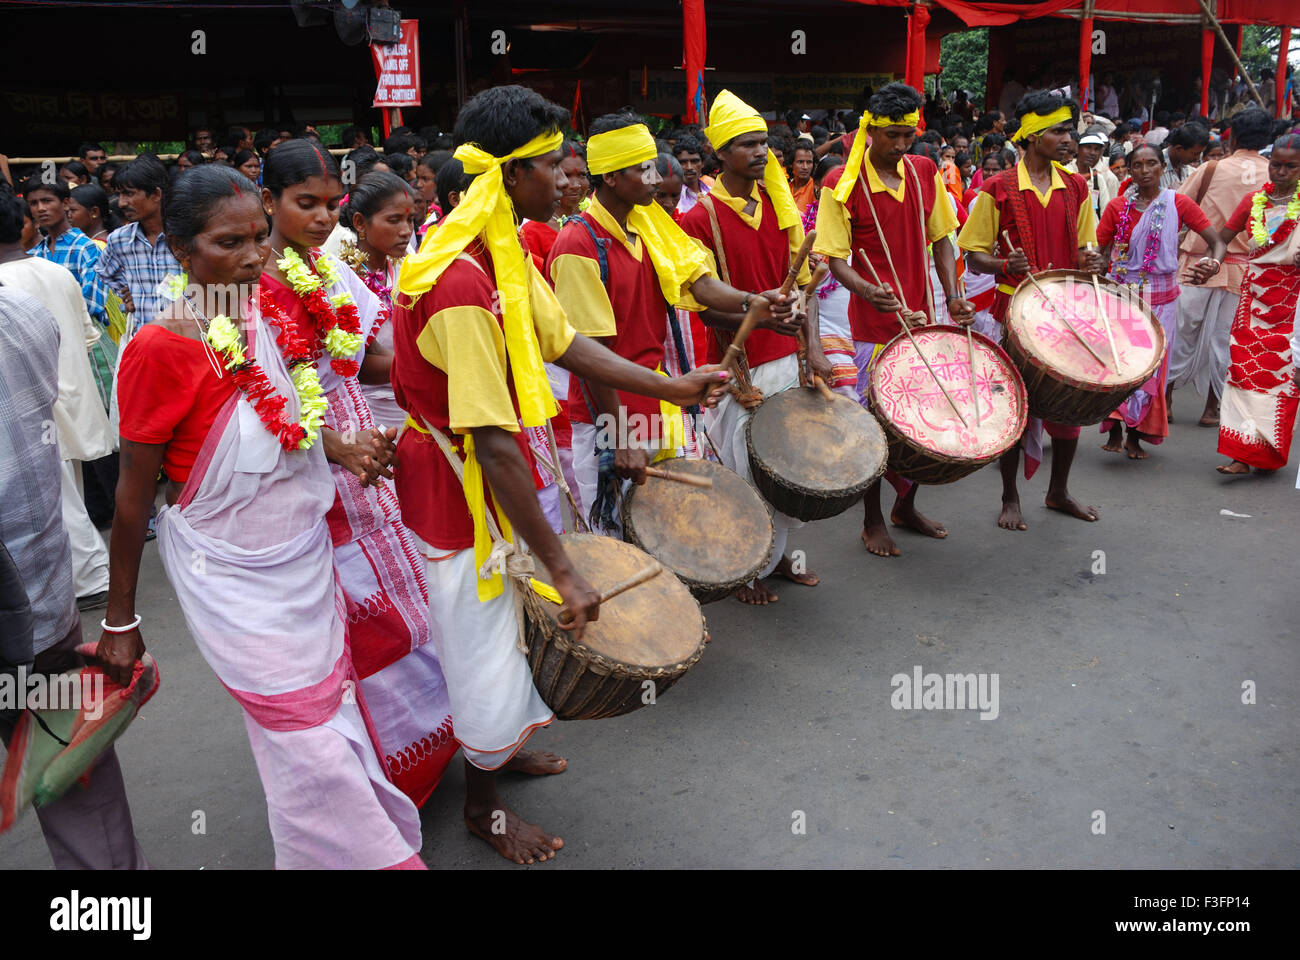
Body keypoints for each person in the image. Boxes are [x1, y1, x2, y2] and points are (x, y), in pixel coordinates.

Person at [389, 85, 732, 863]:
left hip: (483, 476)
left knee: (503, 632)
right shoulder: (460, 281)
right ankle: (485, 808)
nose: (566, 179)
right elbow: (494, 444)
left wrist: (668, 387)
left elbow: (564, 339)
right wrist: (563, 567)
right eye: (551, 166)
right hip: (459, 491)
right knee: (481, 642)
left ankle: (498, 753)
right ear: (511, 175)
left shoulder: (494, 246)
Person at [106, 163, 426, 868]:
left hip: (304, 560)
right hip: (232, 576)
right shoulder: (161, 346)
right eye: (229, 243)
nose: (252, 257)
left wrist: (339, 446)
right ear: (182, 252)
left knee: (324, 723)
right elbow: (132, 499)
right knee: (305, 737)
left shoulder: (267, 307)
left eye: (258, 238)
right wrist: (120, 620)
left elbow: (285, 417)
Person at [257, 142, 456, 806]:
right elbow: (256, 397)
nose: (320, 217)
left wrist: (439, 373)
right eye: (303, 203)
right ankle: (388, 779)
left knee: (414, 615)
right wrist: (336, 447)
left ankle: (450, 750)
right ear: (269, 203)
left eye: (329, 202)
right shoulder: (251, 278)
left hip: (367, 462)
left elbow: (363, 357)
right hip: (312, 472)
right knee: (366, 633)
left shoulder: (322, 268)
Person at [547, 113, 792, 531]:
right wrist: (621, 438)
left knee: (664, 533)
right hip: (613, 415)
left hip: (658, 401)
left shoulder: (646, 228)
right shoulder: (578, 243)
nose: (655, 180)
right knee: (622, 543)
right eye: (643, 170)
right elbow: (592, 358)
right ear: (609, 177)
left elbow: (700, 284)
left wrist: (755, 301)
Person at [0, 283, 149, 870]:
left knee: (70, 765)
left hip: (28, 592)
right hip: (41, 592)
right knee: (70, 765)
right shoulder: (21, 312)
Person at [814, 82, 975, 558]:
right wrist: (868, 290)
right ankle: (872, 518)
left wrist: (953, 295)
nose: (902, 146)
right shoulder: (840, 182)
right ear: (870, 131)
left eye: (909, 135)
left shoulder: (925, 170)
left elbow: (942, 237)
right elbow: (833, 256)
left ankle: (906, 505)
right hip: (868, 325)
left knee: (920, 420)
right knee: (875, 426)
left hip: (921, 314)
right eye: (892, 136)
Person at [680, 88, 823, 604]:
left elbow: (799, 288)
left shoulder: (778, 207)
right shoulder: (698, 219)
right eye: (748, 144)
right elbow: (699, 305)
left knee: (787, 465)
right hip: (737, 367)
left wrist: (812, 345)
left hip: (784, 358)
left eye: (764, 143)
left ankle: (780, 556)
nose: (762, 153)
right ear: (721, 154)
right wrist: (759, 317)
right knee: (744, 473)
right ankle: (747, 568)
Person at [958, 90, 1105, 531]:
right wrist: (1004, 264)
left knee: (1070, 404)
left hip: (1066, 309)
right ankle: (1009, 496)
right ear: (1031, 136)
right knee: (1016, 406)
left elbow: (1086, 247)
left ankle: (1058, 492)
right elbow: (972, 255)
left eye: (1069, 131)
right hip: (1014, 309)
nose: (1068, 139)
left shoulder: (1077, 186)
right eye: (1059, 131)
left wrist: (1092, 260)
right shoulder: (995, 189)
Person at [0, 190, 115, 610]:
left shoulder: (4, 284)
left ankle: (91, 579)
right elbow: (89, 336)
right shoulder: (54, 272)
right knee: (67, 495)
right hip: (71, 399)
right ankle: (83, 578)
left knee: (58, 501)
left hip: (32, 407)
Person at [1096, 143, 1225, 458]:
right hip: (1121, 295)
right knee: (1118, 364)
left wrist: (1213, 264)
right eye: (1137, 165)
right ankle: (1114, 427)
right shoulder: (1116, 208)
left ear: (1161, 168)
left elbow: (1216, 242)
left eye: (1150, 164)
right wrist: (1093, 266)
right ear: (1129, 169)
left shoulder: (1178, 203)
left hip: (1162, 299)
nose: (1144, 171)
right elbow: (1099, 253)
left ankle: (1136, 436)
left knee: (1151, 367)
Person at [1168, 107, 1272, 427]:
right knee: (1227, 338)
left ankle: (1166, 399)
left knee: (1181, 331)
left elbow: (1177, 208)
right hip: (1245, 268)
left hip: (1198, 262)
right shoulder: (1276, 174)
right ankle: (1212, 408)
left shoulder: (1212, 168)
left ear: (1233, 137)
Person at [1213, 134, 1300, 475]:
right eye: (1275, 164)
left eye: (1290, 166)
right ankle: (1241, 454)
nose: (1280, 172)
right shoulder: (1253, 200)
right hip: (1254, 297)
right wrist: (1214, 262)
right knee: (1243, 370)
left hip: (1293, 302)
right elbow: (1221, 238)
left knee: (1282, 375)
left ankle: (1268, 449)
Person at [337, 170, 419, 432]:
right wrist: (426, 365)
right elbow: (358, 365)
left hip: (415, 397)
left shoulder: (408, 266)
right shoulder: (342, 281)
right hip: (372, 411)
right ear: (360, 223)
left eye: (410, 220)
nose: (406, 231)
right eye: (394, 220)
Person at [520, 140, 588, 265]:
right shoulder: (531, 231)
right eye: (566, 175)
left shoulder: (596, 216)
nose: (575, 185)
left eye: (582, 175)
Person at [1069, 130, 1120, 220]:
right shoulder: (1066, 173)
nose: (1092, 153)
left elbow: (1105, 211)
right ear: (1078, 149)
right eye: (1088, 147)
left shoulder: (1098, 179)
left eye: (1096, 149)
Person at [1161, 123, 1209, 189]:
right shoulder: (1155, 166)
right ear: (1179, 148)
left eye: (1200, 153)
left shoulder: (1189, 168)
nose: (1197, 158)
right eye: (1195, 154)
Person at [673, 134, 711, 215]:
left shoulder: (712, 191)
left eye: (694, 161)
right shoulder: (670, 198)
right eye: (683, 162)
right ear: (675, 164)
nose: (689, 167)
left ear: (703, 163)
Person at [789, 139, 816, 213]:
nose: (805, 167)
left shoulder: (816, 189)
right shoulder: (786, 186)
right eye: (800, 162)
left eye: (809, 162)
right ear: (791, 164)